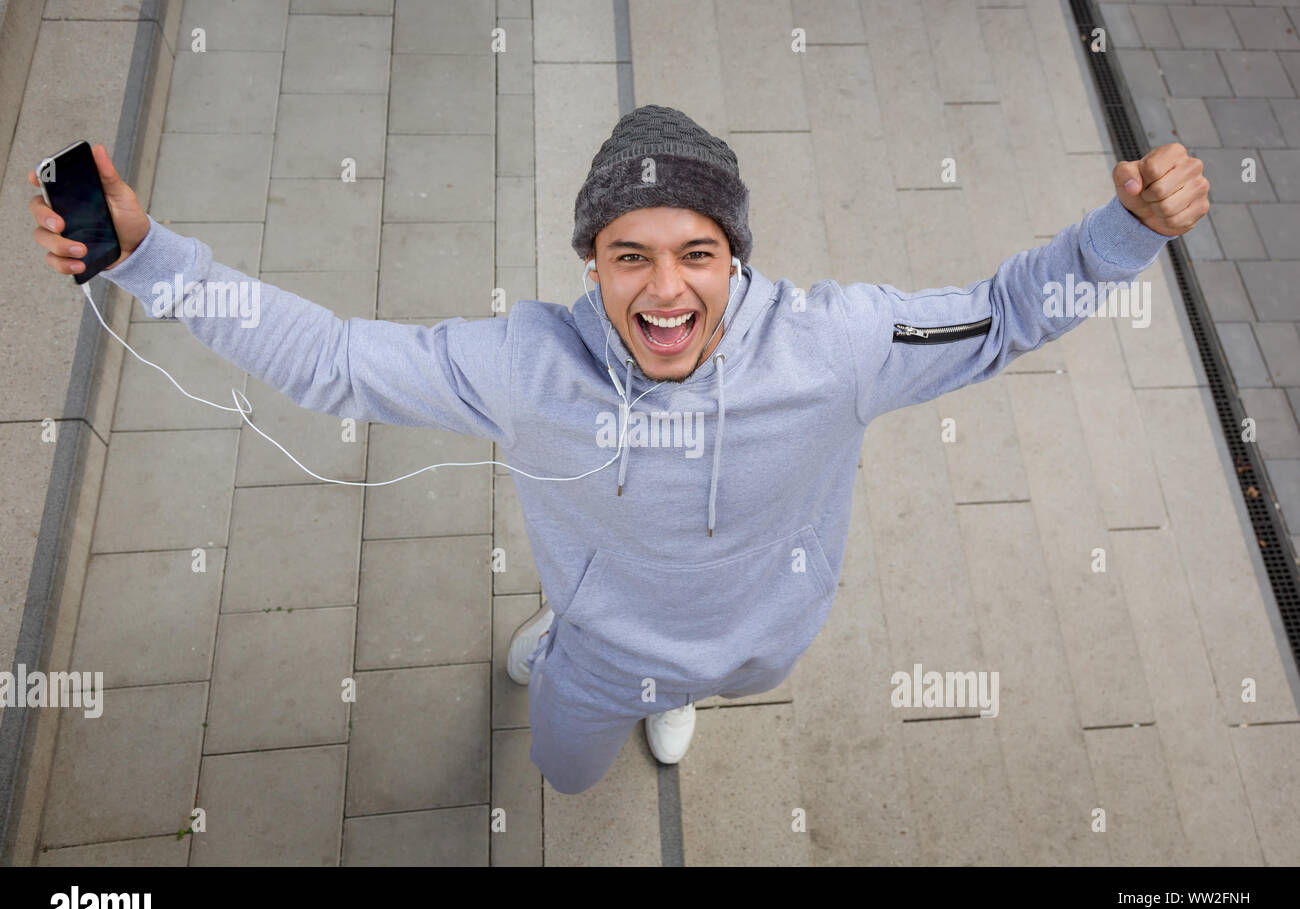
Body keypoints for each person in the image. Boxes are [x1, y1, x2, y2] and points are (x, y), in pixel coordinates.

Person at [28, 106, 1209, 795]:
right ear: (589, 263)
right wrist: (154, 259)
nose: (663, 288)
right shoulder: (524, 364)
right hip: (593, 653)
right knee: (565, 775)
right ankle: (570, 652)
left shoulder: (839, 343)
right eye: (627, 252)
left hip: (755, 643)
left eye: (695, 250)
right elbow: (334, 358)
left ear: (734, 257)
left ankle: (678, 688)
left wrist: (1126, 229)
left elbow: (1001, 311)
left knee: (705, 680)